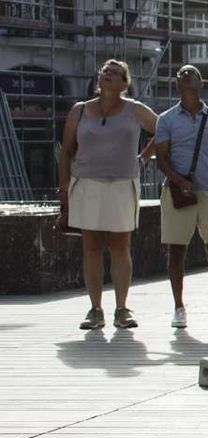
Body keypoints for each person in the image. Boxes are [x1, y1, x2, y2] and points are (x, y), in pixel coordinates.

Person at [61, 59, 159, 331]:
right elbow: (67, 150)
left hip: (121, 184)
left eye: (114, 73)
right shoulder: (79, 111)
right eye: (105, 71)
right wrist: (63, 188)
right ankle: (95, 309)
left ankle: (121, 309)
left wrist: (143, 157)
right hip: (86, 183)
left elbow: (165, 131)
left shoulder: (135, 110)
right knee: (91, 247)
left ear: (124, 83)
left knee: (120, 246)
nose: (107, 74)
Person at [150, 65, 208, 330]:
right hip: (177, 189)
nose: (187, 76)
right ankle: (178, 307)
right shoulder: (166, 119)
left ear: (200, 84)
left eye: (192, 74)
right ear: (176, 84)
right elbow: (160, 158)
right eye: (182, 74)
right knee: (176, 251)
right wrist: (179, 181)